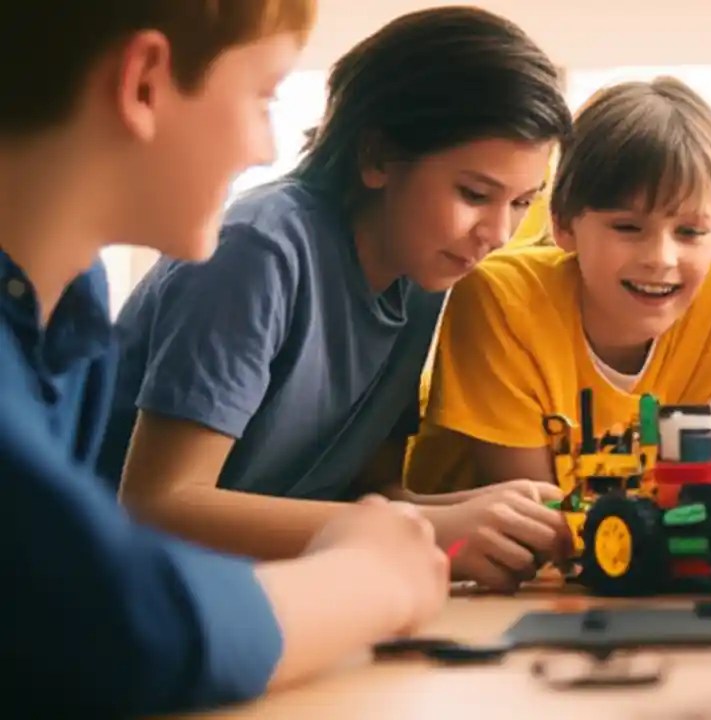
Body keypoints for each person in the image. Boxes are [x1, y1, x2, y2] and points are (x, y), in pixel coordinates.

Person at [1, 2, 451, 714]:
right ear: (144, 83)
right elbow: (110, 624)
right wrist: (369, 579)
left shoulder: (69, 297)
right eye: (263, 97)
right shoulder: (267, 241)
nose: (266, 149)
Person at [100, 7, 574, 592]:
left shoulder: (424, 276)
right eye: (475, 193)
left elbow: (368, 498)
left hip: (246, 595)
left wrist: (487, 514)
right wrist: (430, 527)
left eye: (523, 202)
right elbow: (156, 504)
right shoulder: (259, 250)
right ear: (376, 157)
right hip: (112, 600)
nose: (498, 233)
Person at [404, 78, 711, 494]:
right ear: (562, 224)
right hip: (479, 551)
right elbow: (538, 513)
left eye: (690, 232)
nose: (661, 258)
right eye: (628, 227)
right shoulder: (501, 297)